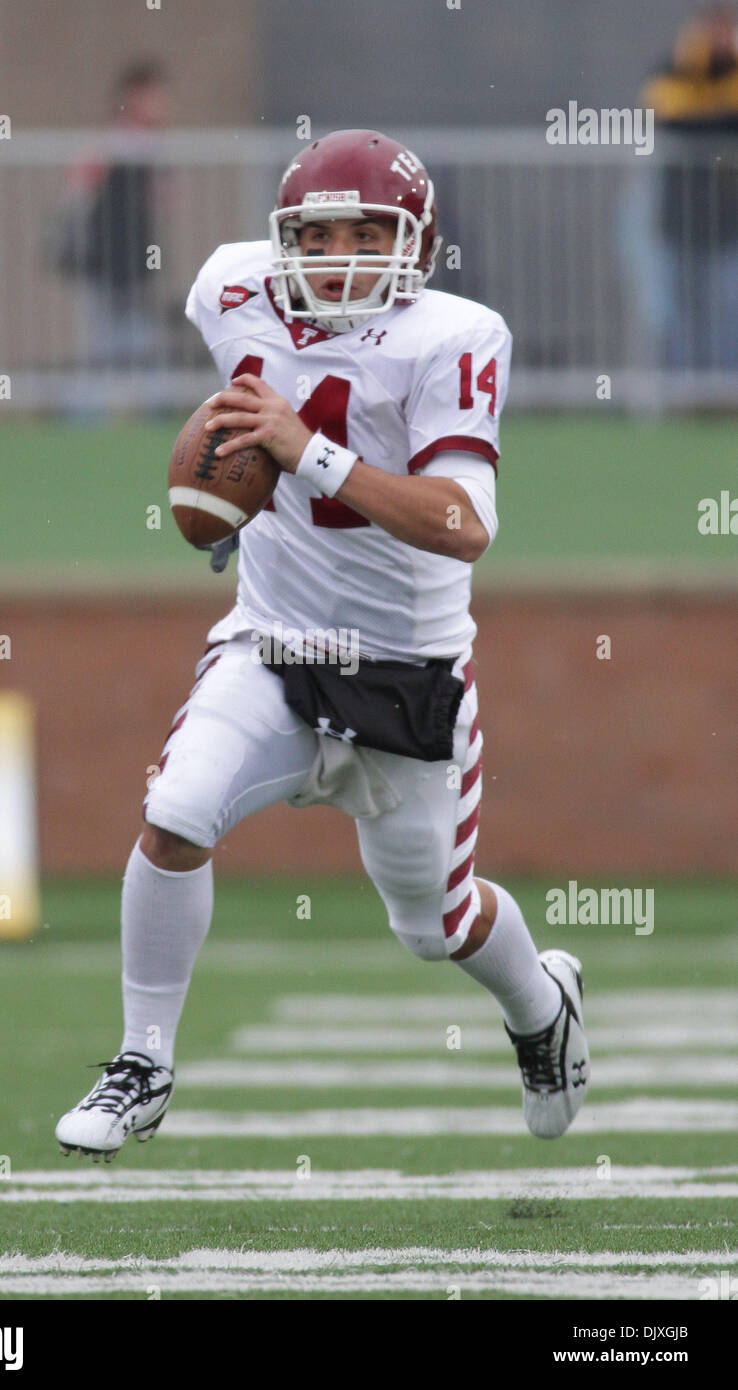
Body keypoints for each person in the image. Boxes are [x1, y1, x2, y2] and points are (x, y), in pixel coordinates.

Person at [55, 129, 590, 1160]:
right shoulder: (231, 290)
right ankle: (142, 1061)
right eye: (315, 233)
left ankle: (540, 1006)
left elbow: (459, 524)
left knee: (435, 927)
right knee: (172, 813)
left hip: (406, 673)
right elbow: (235, 430)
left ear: (414, 245)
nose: (336, 254)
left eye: (362, 233)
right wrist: (223, 490)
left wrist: (309, 453)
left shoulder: (453, 335)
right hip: (273, 644)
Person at [56, 60, 170, 413]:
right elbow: (76, 193)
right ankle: (85, 410)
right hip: (110, 261)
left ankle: (154, 403)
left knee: (135, 337)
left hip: (133, 261)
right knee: (108, 341)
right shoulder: (115, 146)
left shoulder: (150, 148)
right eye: (153, 96)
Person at [641, 4, 738, 368]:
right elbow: (670, 119)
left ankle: (727, 394)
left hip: (729, 224)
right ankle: (684, 397)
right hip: (680, 220)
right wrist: (718, 114)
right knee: (680, 314)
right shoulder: (674, 67)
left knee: (729, 311)